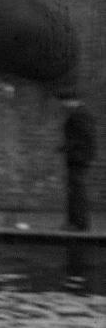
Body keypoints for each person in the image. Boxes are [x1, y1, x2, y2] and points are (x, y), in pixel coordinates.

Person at [59, 95, 95, 232]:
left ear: (72, 101)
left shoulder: (79, 115)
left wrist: (68, 146)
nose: (64, 106)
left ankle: (79, 223)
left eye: (65, 102)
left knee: (77, 191)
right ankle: (75, 222)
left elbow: (82, 137)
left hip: (78, 158)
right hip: (79, 157)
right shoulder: (82, 113)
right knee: (75, 190)